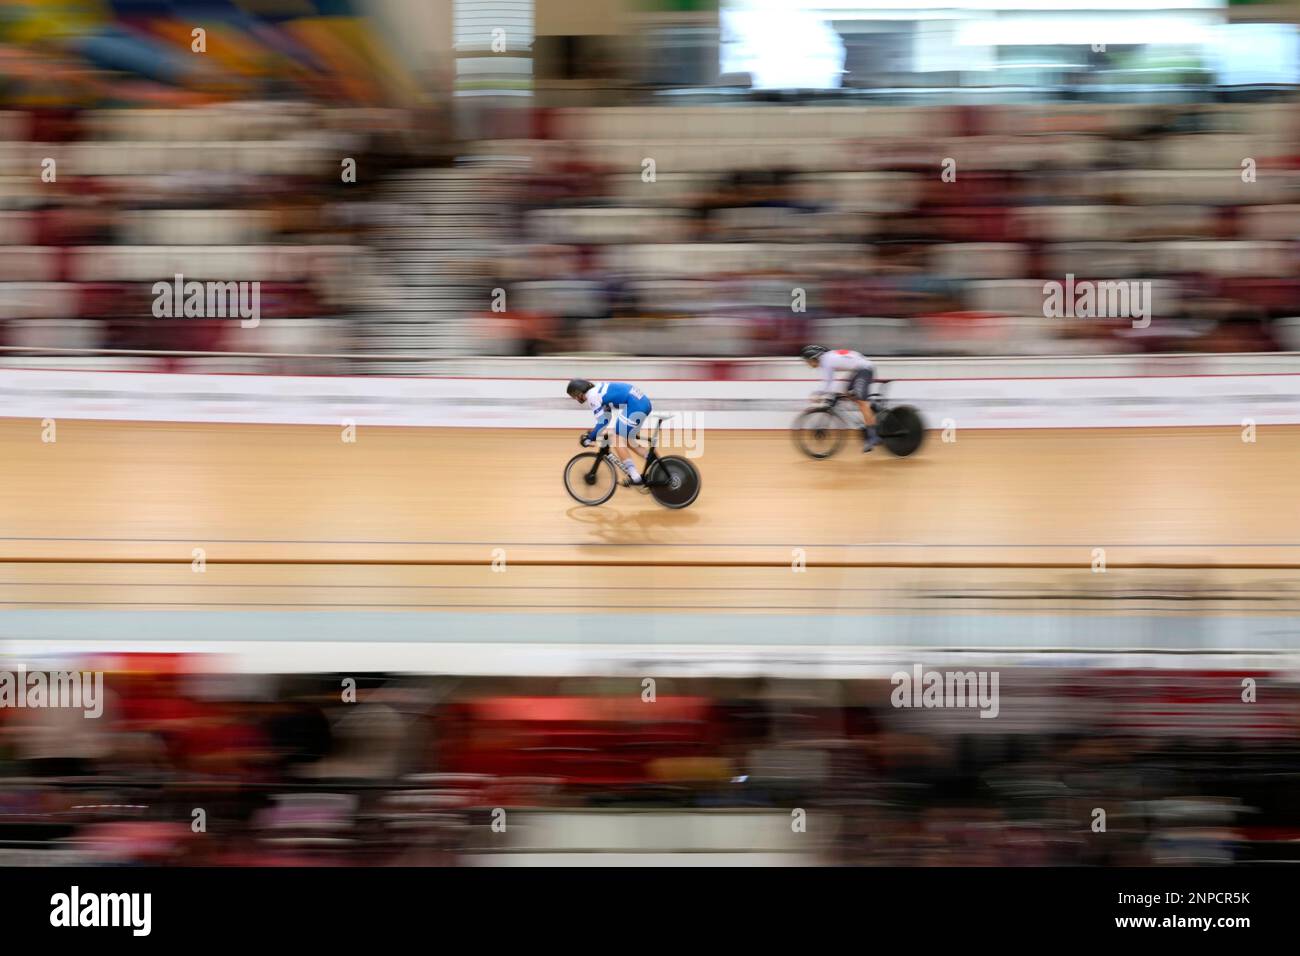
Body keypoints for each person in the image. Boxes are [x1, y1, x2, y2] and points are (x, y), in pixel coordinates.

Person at [566, 378, 652, 485]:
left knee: (616, 439)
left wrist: (589, 438)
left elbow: (602, 422)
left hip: (635, 405)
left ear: (578, 393)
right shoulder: (597, 390)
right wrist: (593, 434)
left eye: (574, 396)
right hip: (642, 403)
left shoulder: (591, 396)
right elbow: (606, 418)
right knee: (627, 440)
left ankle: (635, 477)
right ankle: (652, 459)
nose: (576, 399)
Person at [800, 345, 879, 451]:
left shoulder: (825, 361)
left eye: (807, 361)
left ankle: (873, 437)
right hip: (859, 369)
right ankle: (872, 406)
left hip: (864, 369)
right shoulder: (827, 358)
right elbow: (830, 383)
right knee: (847, 392)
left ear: (813, 358)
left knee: (862, 403)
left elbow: (828, 383)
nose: (807, 364)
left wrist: (817, 394)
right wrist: (826, 393)